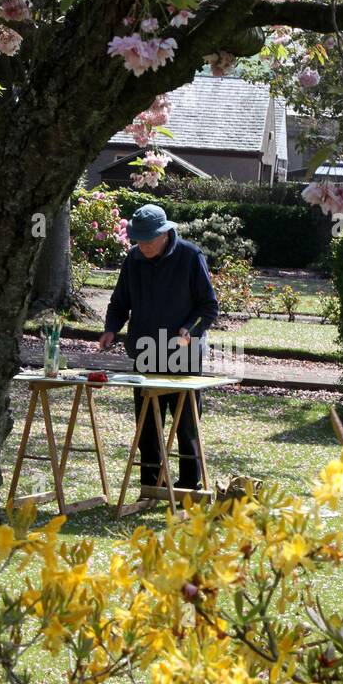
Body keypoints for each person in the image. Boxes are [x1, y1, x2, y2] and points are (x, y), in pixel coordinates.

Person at [97, 203, 218, 493]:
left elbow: (209, 306)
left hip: (183, 356)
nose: (144, 246)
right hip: (145, 353)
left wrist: (190, 329)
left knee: (186, 426)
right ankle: (151, 485)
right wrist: (111, 328)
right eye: (138, 240)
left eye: (148, 240)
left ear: (165, 234)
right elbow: (119, 303)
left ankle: (189, 486)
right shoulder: (133, 259)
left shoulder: (190, 256)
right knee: (147, 427)